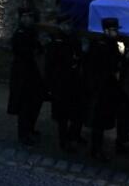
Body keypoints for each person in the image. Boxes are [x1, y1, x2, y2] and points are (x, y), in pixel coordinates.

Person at [45, 13, 86, 151]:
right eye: (66, 24)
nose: (68, 27)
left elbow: (79, 56)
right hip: (61, 83)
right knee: (62, 116)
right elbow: (51, 64)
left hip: (74, 82)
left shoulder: (73, 39)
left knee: (77, 113)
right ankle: (64, 142)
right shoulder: (56, 41)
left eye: (69, 24)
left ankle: (73, 135)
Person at [85, 17, 123, 161]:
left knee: (101, 120)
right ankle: (96, 150)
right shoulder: (102, 45)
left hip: (106, 88)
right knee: (98, 121)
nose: (116, 33)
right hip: (101, 88)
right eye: (114, 30)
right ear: (107, 31)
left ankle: (97, 148)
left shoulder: (109, 43)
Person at [7, 8, 45, 145]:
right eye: (25, 16)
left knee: (35, 102)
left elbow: (37, 48)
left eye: (30, 16)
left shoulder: (30, 32)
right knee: (24, 105)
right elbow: (22, 52)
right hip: (22, 73)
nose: (28, 19)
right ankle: (23, 134)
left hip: (31, 71)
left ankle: (30, 129)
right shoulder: (20, 33)